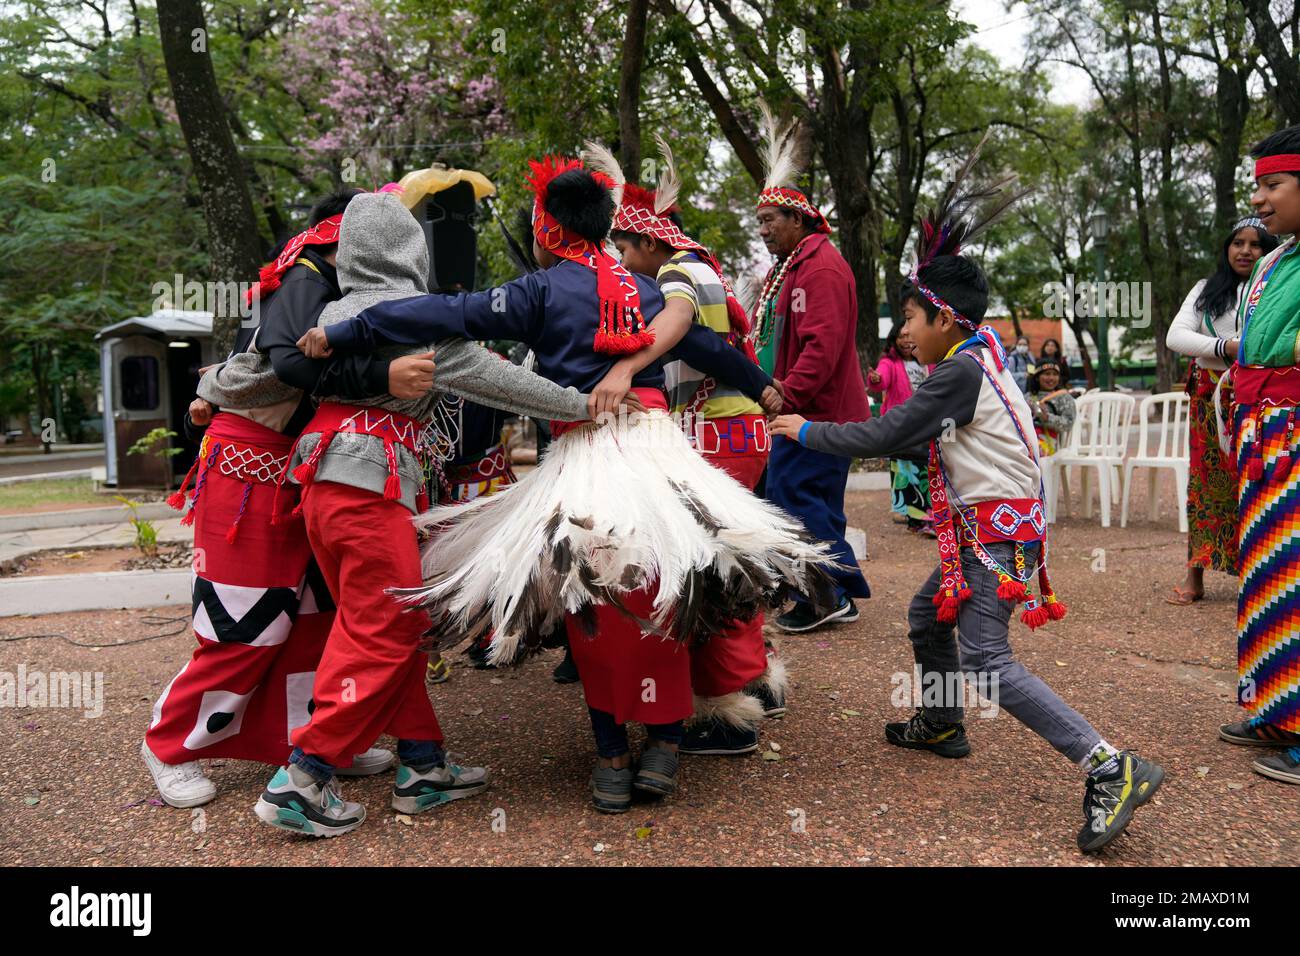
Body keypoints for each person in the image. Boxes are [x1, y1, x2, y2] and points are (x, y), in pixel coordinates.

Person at [298, 153, 837, 814]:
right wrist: (767, 389)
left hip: (583, 455)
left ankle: (612, 758)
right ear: (606, 226)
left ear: (548, 231)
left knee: (592, 602)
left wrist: (341, 330)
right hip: (658, 452)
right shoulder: (643, 288)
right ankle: (662, 749)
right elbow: (709, 348)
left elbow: (436, 315)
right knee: (662, 591)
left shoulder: (539, 291)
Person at [770, 144, 1166, 852]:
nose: (903, 334)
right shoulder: (970, 359)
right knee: (928, 615)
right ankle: (942, 720)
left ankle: (1111, 765)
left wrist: (806, 429)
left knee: (987, 658)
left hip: (996, 531)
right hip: (988, 526)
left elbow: (886, 433)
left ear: (945, 319)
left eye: (911, 320)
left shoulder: (958, 372)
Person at [248, 188, 618, 837]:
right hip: (370, 484)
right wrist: (583, 406)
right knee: (387, 628)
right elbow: (497, 379)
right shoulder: (415, 316)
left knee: (383, 624)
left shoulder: (332, 309)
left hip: (323, 485)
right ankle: (303, 779)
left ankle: (422, 765)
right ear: (410, 253)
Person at [141, 190, 402, 807]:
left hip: (302, 471)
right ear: (345, 238)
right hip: (246, 471)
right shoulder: (306, 282)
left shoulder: (322, 284)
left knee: (314, 623)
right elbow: (276, 368)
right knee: (243, 624)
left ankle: (313, 741)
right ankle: (167, 743)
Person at [607, 136, 790, 756]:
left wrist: (623, 368)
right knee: (731, 561)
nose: (622, 262)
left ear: (653, 240)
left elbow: (681, 326)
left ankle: (725, 711)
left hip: (718, 436)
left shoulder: (679, 276)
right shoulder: (704, 266)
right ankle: (758, 682)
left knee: (704, 570)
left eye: (626, 248)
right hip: (731, 432)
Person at [749, 104, 871, 633]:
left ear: (798, 218)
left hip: (817, 415)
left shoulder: (818, 267)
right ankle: (830, 589)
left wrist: (787, 394)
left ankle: (828, 593)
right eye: (757, 223)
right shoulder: (800, 265)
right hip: (816, 412)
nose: (762, 231)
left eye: (769, 221)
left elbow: (821, 346)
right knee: (810, 498)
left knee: (795, 496)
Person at [1223, 126, 1300, 783]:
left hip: (1294, 430)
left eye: (1274, 184)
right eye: (1258, 185)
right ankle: (1275, 707)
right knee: (1267, 575)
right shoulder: (1279, 261)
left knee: (1296, 576)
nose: (1261, 199)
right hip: (1263, 433)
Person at [1165, 216, 1276, 606]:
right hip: (1210, 395)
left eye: (1256, 244)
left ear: (1268, 250)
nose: (1245, 251)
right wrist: (1227, 348)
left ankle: (1264, 573)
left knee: (1258, 478)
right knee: (1206, 481)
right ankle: (1194, 577)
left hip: (1260, 394)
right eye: (1238, 243)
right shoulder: (1205, 290)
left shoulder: (1275, 286)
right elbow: (1176, 336)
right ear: (1226, 248)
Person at [869, 323, 932, 534]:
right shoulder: (890, 363)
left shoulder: (927, 361)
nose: (906, 340)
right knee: (908, 470)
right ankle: (917, 520)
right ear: (894, 340)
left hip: (925, 424)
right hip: (902, 425)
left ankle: (929, 514)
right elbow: (880, 379)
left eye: (910, 336)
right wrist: (875, 379)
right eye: (901, 336)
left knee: (927, 470)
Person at [1026, 358, 1076, 457]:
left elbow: (1068, 423)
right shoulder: (1027, 397)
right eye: (1047, 374)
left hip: (1051, 446)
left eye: (1055, 374)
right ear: (1037, 377)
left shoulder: (1064, 398)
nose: (1051, 378)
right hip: (1027, 440)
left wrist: (1047, 418)